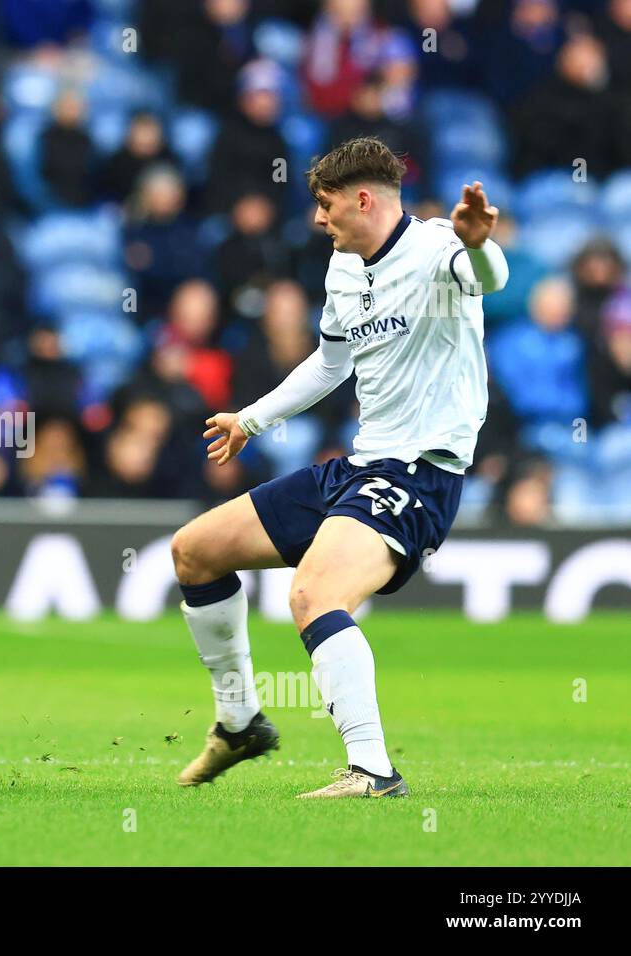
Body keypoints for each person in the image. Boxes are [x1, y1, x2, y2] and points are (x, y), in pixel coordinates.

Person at [170, 137, 509, 798]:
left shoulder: (441, 251)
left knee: (313, 596)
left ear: (363, 198)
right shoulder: (343, 268)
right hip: (358, 467)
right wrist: (250, 419)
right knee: (196, 552)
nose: (318, 219)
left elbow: (488, 278)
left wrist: (477, 242)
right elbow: (331, 363)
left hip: (418, 476)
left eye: (326, 206)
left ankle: (374, 771)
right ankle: (240, 724)